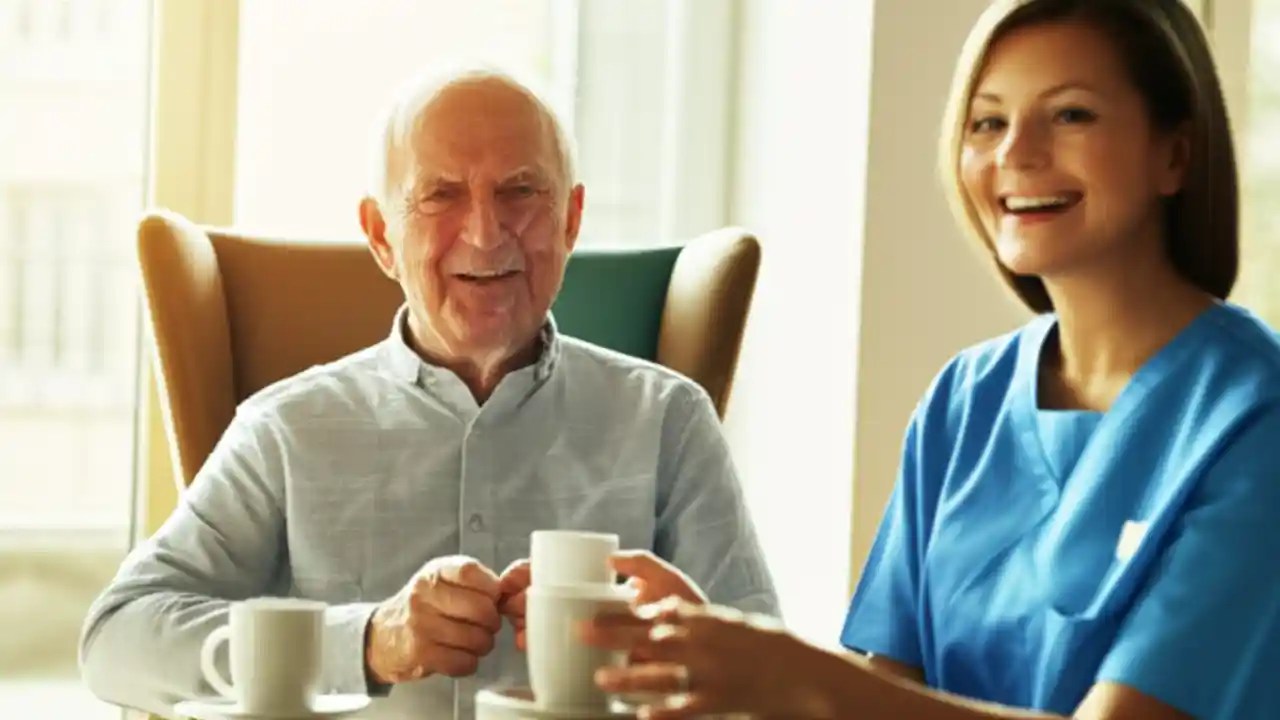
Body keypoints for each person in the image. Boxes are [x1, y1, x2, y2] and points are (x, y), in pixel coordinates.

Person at [582, 1, 1280, 718]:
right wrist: (718, 660)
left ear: (1176, 152)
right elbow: (883, 692)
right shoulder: (966, 398)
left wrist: (792, 674)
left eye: (1071, 115)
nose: (1016, 153)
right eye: (988, 122)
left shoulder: (1256, 415)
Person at [79, 67, 777, 720]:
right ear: (382, 236)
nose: (485, 232)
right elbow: (116, 640)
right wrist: (367, 642)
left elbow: (779, 685)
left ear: (570, 219)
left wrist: (686, 644)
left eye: (521, 192)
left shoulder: (667, 422)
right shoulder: (285, 430)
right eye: (441, 195)